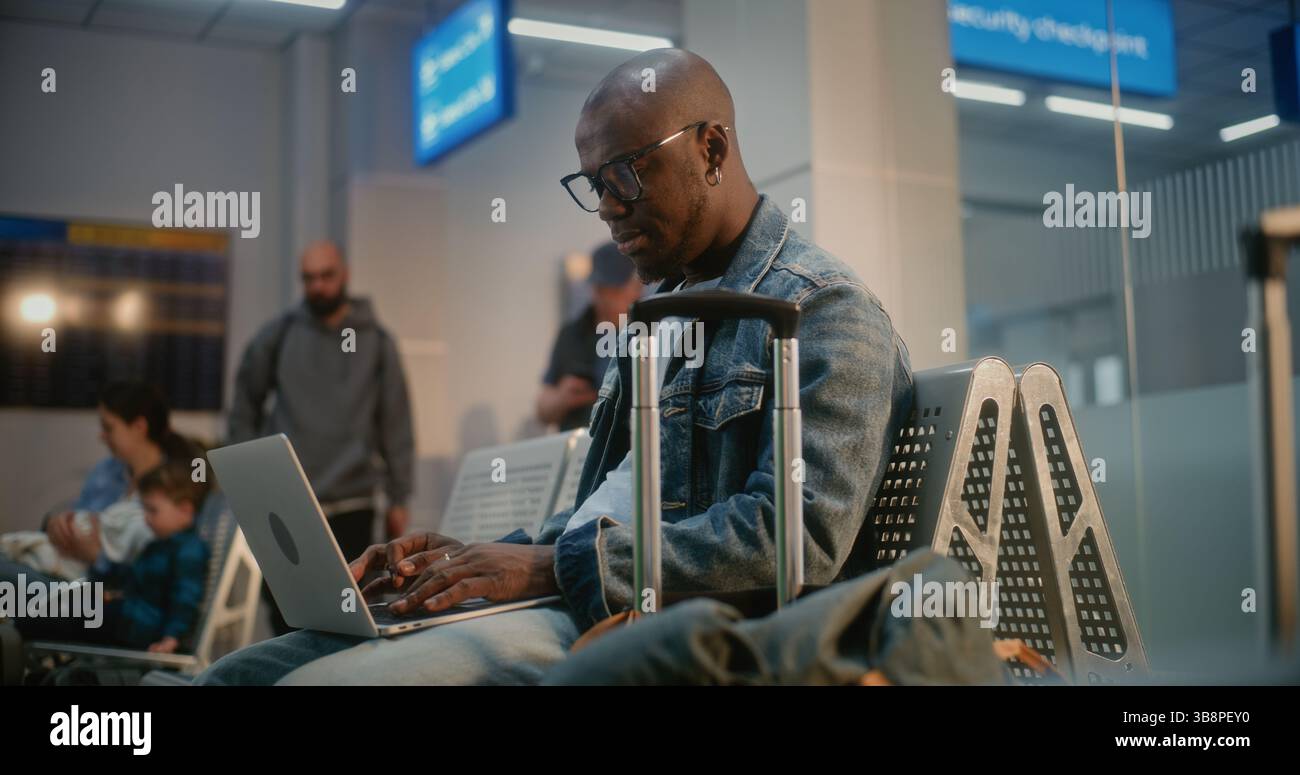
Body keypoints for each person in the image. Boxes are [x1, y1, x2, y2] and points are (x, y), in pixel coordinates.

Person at [196, 48, 912, 686]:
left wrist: (548, 570)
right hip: (578, 598)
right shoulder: (664, 313)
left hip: (655, 627)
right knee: (246, 670)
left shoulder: (823, 313)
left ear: (712, 149)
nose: (605, 207)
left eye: (626, 173)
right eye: (593, 181)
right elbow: (613, 509)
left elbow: (799, 540)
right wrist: (480, 560)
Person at [227, 240, 415, 633]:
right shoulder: (278, 335)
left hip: (353, 504)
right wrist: (248, 477)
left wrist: (400, 496)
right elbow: (244, 403)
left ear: (344, 275)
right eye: (308, 278)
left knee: (347, 621)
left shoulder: (377, 341)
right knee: (285, 619)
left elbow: (395, 421)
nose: (318, 286)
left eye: (326, 276)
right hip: (287, 503)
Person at [8, 458, 210, 653]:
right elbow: (132, 578)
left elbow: (185, 600)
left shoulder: (189, 551)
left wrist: (171, 638)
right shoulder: (158, 544)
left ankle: (17, 625)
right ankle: (18, 624)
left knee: (61, 614)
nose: (146, 518)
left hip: (138, 626)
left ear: (185, 511)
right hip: (127, 615)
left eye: (152, 510)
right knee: (62, 607)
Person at [0, 381, 196, 581]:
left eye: (108, 428)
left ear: (139, 427)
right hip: (63, 566)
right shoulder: (106, 471)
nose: (101, 436)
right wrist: (53, 524)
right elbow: (77, 514)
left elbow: (161, 568)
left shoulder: (174, 487)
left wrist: (99, 558)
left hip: (100, 588)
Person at [536, 242, 643, 430]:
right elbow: (543, 409)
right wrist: (562, 398)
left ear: (636, 288)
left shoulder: (653, 334)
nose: (605, 299)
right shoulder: (571, 334)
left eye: (614, 290)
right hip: (581, 447)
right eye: (600, 289)